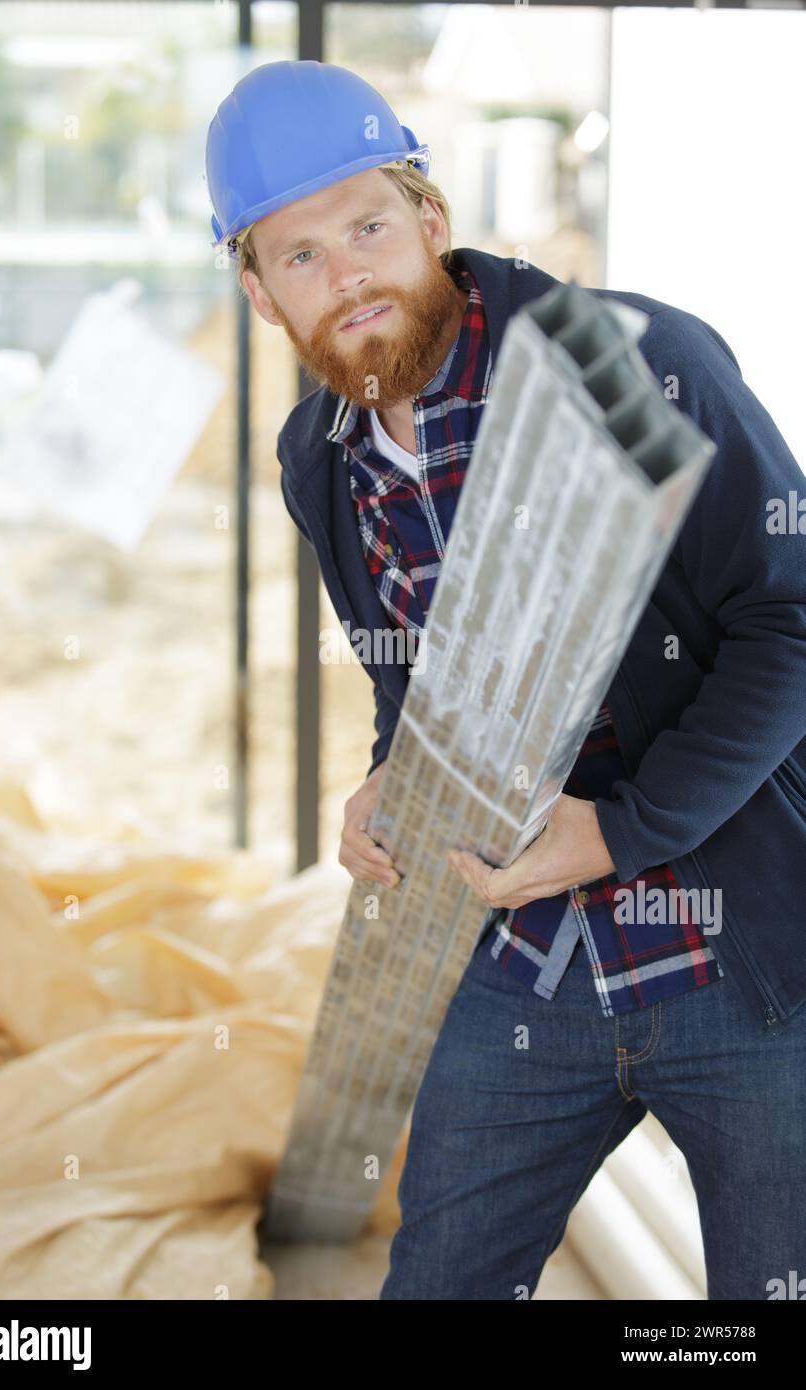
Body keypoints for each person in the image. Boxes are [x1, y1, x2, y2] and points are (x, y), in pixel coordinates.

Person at [206, 60, 806, 1300]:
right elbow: (414, 677)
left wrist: (620, 829)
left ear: (430, 218)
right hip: (516, 962)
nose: (348, 275)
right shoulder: (318, 456)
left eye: (367, 226)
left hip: (737, 966)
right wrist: (388, 780)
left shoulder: (630, 368)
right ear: (260, 294)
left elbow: (788, 622)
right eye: (299, 255)